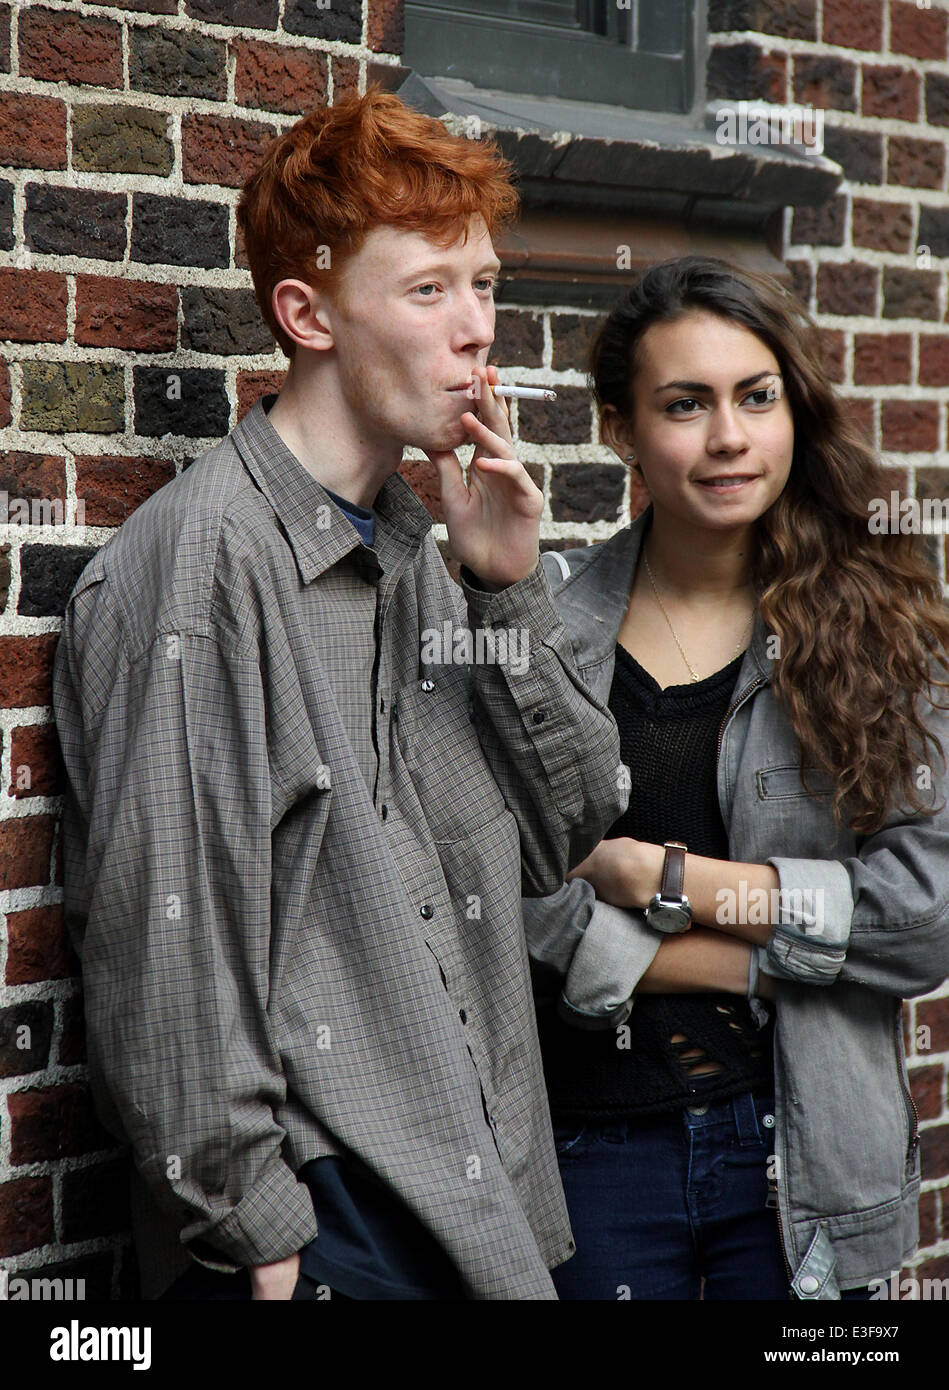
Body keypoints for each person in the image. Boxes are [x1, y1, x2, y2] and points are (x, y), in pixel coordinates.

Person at [51, 89, 628, 1302]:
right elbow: (167, 939)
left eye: (483, 284)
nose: (476, 329)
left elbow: (565, 830)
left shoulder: (434, 550)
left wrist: (508, 588)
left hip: (480, 1200)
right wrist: (258, 1233)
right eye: (428, 290)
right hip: (333, 1223)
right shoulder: (205, 568)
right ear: (306, 313)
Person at [524, 255, 949, 1301]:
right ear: (620, 430)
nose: (728, 437)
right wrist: (773, 953)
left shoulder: (883, 627)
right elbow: (513, 905)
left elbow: (921, 919)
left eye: (755, 398)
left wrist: (661, 880)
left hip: (803, 1161)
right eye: (685, 404)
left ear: (791, 411)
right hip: (592, 1159)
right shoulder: (548, 632)